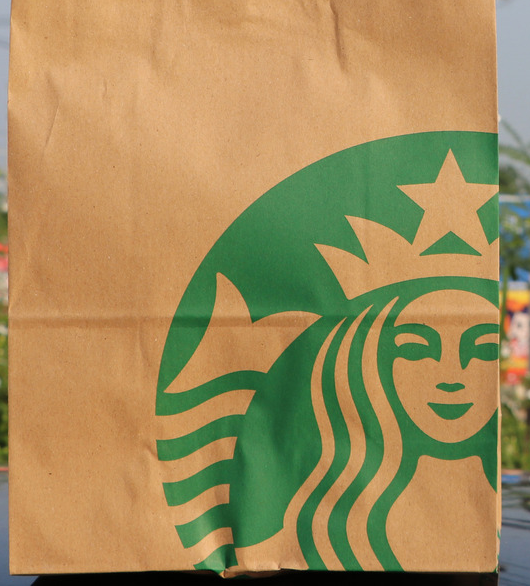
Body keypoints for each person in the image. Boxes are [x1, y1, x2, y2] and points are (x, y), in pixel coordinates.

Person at [155, 139, 500, 574]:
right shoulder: (295, 530)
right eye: (415, 349)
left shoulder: (469, 536)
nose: (453, 374)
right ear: (368, 363)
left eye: (483, 347)